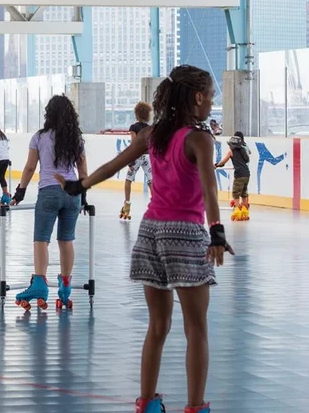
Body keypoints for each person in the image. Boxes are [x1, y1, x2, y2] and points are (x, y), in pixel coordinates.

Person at [61, 65, 234, 413]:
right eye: (212, 96)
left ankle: (147, 403)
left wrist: (80, 185)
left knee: (157, 325)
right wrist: (216, 229)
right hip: (184, 235)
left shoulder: (151, 136)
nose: (212, 103)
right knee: (196, 329)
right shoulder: (200, 138)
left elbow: (112, 166)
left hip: (150, 232)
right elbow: (209, 186)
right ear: (197, 97)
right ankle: (196, 406)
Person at [10, 95, 87, 311]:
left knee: (41, 239)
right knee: (66, 240)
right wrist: (84, 197)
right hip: (72, 193)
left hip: (49, 191)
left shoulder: (39, 137)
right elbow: (83, 171)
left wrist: (20, 191)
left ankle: (40, 284)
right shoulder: (76, 139)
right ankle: (65, 287)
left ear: (48, 114)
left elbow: (29, 167)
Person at [120, 102, 153, 221]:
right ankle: (156, 204)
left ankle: (127, 206)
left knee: (128, 180)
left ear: (136, 114)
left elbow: (134, 143)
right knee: (151, 181)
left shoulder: (134, 127)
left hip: (137, 156)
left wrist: (130, 160)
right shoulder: (150, 128)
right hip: (148, 156)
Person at [216, 131, 251, 222]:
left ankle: (237, 211)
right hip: (247, 174)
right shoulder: (242, 150)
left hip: (239, 175)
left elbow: (223, 162)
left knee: (236, 193)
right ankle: (244, 212)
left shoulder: (231, 152)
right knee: (243, 193)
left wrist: (216, 165)